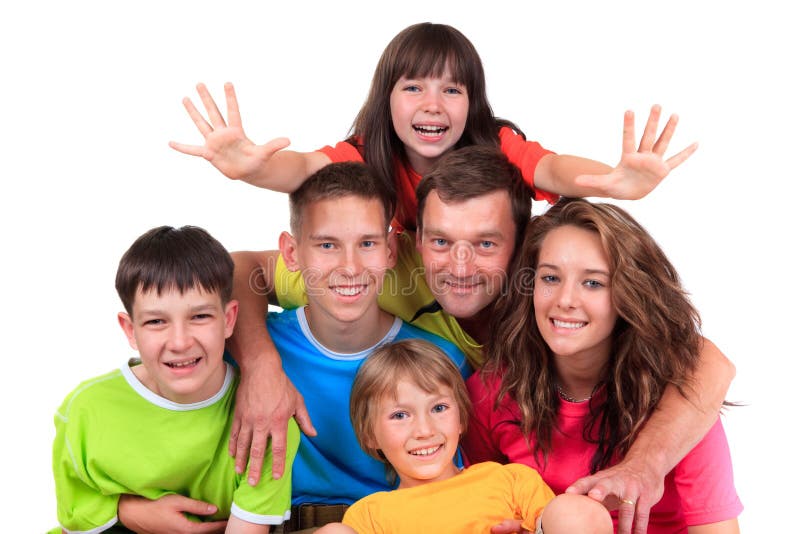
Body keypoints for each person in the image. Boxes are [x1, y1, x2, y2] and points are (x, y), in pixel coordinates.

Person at [228, 146, 735, 534]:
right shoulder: (483, 384)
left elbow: (708, 364)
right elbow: (238, 273)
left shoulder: (675, 408)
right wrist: (260, 365)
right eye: (441, 241)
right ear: (412, 245)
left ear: (519, 251)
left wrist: (644, 466)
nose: (461, 266)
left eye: (486, 243)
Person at [121, 162, 471, 532]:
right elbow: (136, 410)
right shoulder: (243, 346)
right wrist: (124, 508)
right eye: (327, 245)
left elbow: (467, 480)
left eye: (367, 244)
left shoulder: (441, 359)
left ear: (390, 251)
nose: (350, 267)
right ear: (291, 253)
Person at [170, 22, 696, 233]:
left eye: (452, 90)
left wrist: (613, 181)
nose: (433, 105)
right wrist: (250, 169)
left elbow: (554, 168)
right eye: (414, 87)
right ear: (387, 98)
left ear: (472, 102)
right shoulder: (367, 155)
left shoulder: (495, 145)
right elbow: (303, 168)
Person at [464, 198, 743, 533]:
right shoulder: (491, 393)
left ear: (629, 295)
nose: (565, 300)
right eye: (550, 278)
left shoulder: (679, 405)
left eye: (593, 283)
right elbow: (481, 507)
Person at [50, 226, 300, 534]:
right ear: (130, 330)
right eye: (156, 321)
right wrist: (125, 511)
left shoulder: (264, 420)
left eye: (200, 317)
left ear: (229, 319)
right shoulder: (85, 411)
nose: (180, 342)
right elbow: (75, 515)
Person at [315, 338, 613, 534]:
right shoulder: (370, 515)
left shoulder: (508, 480)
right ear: (370, 435)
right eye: (400, 415)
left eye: (439, 408)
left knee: (577, 512)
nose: (424, 430)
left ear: (461, 418)